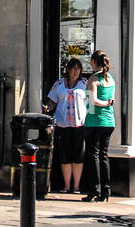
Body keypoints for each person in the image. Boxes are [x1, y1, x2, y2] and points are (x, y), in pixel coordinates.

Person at [45, 57, 89, 194]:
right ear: (68, 69)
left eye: (78, 68)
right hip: (62, 124)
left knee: (78, 156)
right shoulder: (59, 83)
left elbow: (91, 104)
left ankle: (76, 186)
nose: (76, 71)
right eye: (74, 68)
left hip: (79, 124)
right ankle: (66, 185)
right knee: (65, 156)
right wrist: (48, 107)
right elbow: (52, 101)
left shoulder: (84, 83)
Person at [82, 49, 115, 203]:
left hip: (94, 121)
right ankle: (106, 190)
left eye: (91, 61)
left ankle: (94, 189)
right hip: (109, 122)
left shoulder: (93, 79)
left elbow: (93, 102)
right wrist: (108, 104)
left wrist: (104, 104)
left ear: (95, 62)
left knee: (93, 155)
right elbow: (111, 99)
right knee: (104, 155)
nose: (90, 63)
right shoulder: (111, 79)